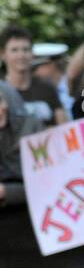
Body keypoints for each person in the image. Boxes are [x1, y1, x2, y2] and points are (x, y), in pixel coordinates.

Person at [0, 26, 67, 128]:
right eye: (14, 50)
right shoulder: (1, 91)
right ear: (3, 54)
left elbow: (64, 127)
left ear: (32, 53)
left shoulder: (47, 88)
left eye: (25, 49)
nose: (21, 55)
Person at [0, 79, 39, 209]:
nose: (3, 107)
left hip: (34, 209)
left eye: (1, 100)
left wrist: (6, 191)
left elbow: (50, 182)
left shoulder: (30, 126)